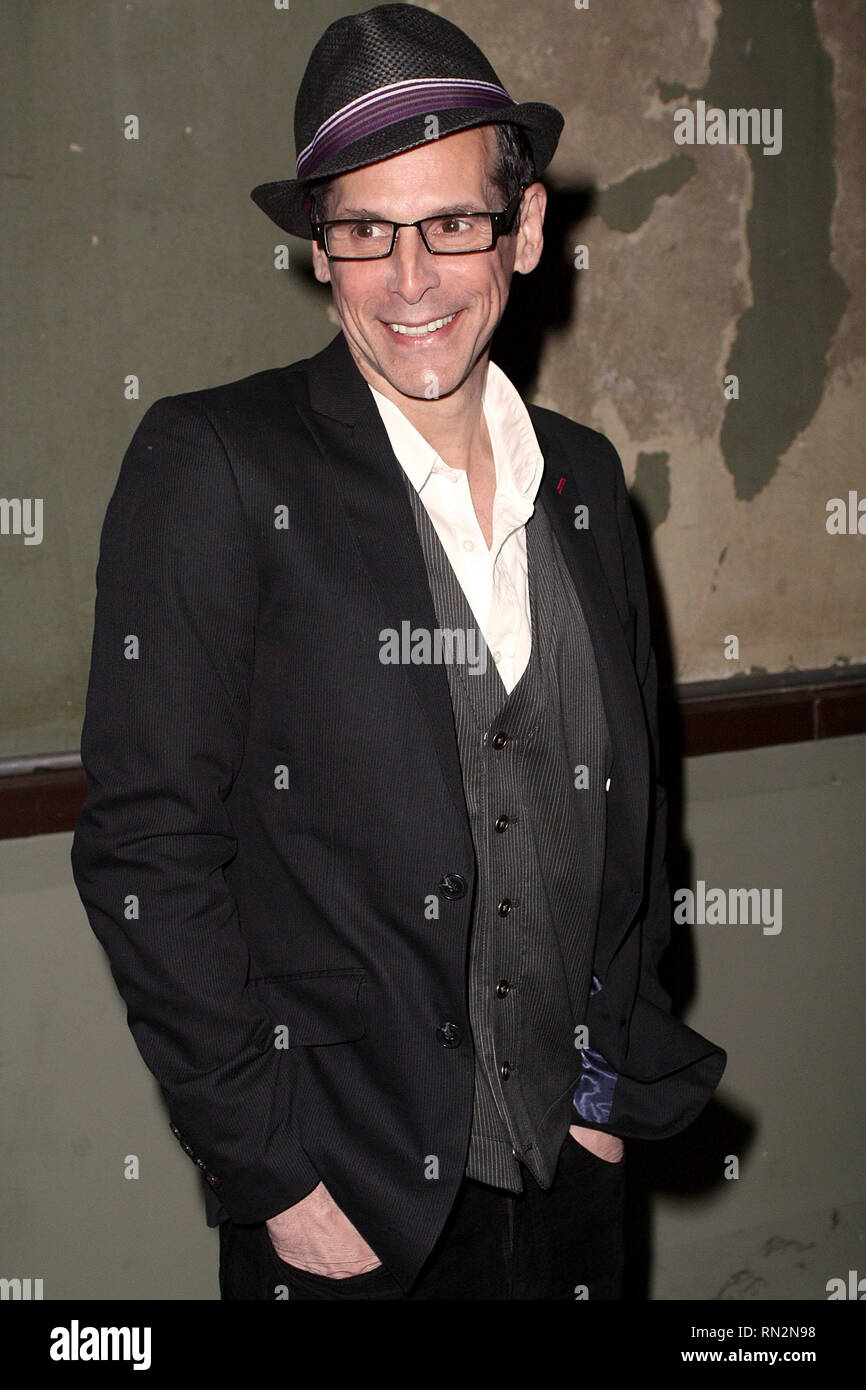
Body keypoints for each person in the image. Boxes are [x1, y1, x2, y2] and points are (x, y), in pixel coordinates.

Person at [71, 2, 726, 1301]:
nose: (409, 277)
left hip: (572, 1185)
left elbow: (635, 823)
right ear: (319, 253)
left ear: (524, 228)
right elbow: (147, 847)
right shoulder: (214, 464)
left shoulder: (587, 483)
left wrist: (602, 1091)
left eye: (450, 224)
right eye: (364, 231)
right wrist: (277, 1179)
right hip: (350, 1212)